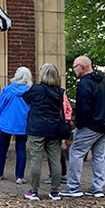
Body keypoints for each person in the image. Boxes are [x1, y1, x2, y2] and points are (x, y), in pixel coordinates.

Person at [60, 55, 105, 198]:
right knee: (99, 156)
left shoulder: (84, 83)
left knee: (76, 152)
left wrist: (79, 125)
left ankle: (74, 187)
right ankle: (97, 188)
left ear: (82, 67)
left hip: (91, 125)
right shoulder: (103, 81)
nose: (74, 71)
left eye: (75, 67)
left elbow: (84, 106)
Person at [22, 63, 64, 200]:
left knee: (36, 159)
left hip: (37, 128)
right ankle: (55, 191)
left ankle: (34, 191)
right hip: (54, 128)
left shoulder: (36, 89)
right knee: (55, 159)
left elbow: (26, 98)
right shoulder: (60, 92)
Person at [0, 67, 32, 183]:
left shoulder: (8, 89)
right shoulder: (29, 92)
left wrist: (2, 116)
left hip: (7, 121)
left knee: (2, 147)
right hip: (22, 122)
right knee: (21, 148)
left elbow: (0, 106)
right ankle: (19, 176)